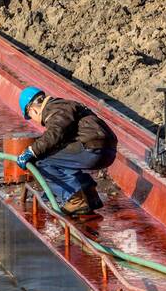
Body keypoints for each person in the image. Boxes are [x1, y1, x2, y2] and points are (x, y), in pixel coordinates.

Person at [15, 87, 115, 215]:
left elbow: (55, 132)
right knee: (62, 161)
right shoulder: (63, 105)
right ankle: (89, 195)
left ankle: (75, 200)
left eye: (30, 116)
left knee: (40, 160)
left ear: (32, 110)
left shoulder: (55, 109)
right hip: (107, 151)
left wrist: (31, 151)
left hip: (92, 148)